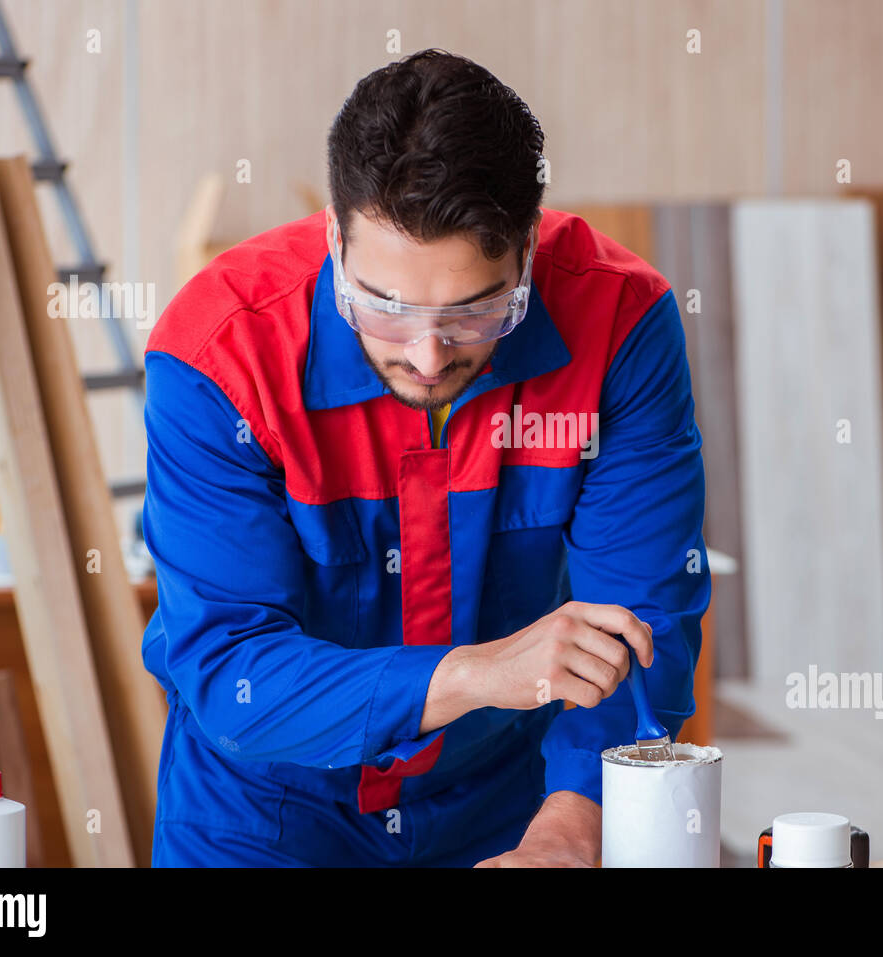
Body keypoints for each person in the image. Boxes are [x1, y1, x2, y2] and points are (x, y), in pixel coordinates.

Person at [142, 48, 710, 867]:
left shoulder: (619, 325)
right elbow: (232, 666)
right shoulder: (220, 355)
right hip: (264, 808)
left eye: (476, 310)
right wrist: (476, 674)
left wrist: (575, 817)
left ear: (528, 245)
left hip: (512, 799)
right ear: (335, 237)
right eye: (385, 307)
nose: (428, 354)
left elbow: (641, 617)